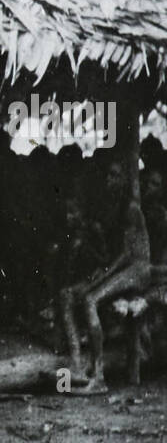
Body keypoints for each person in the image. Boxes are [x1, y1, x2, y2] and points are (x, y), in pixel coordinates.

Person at [59, 153, 152, 390]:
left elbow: (127, 255)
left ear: (124, 180)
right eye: (108, 176)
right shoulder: (108, 207)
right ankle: (77, 364)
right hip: (119, 269)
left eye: (116, 176)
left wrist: (102, 278)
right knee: (69, 295)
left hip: (136, 270)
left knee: (90, 299)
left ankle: (99, 375)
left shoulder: (131, 209)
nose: (110, 180)